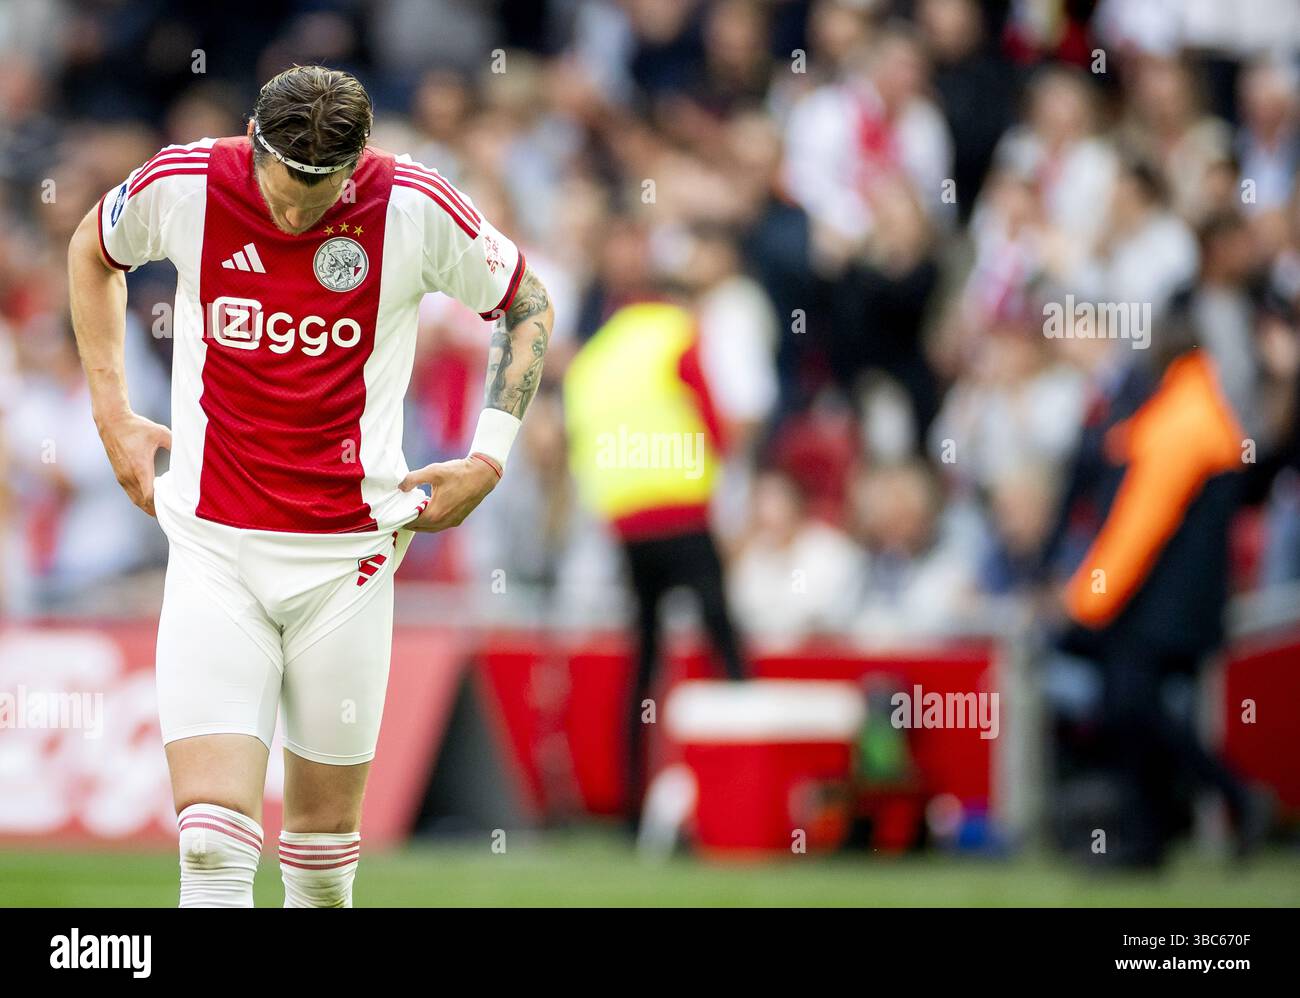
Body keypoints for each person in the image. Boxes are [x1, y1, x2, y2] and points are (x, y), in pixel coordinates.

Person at [66, 66, 554, 907]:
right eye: (288, 184)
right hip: (215, 550)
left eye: (324, 190)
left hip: (350, 564)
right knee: (213, 854)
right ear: (256, 145)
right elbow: (90, 248)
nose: (300, 211)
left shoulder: (412, 203)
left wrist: (488, 458)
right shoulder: (186, 184)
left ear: (356, 164)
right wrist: (112, 413)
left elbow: (528, 303)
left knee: (323, 874)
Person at [563, 298, 747, 830]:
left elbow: (583, 446)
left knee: (643, 662)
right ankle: (741, 791)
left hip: (626, 523)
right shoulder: (676, 331)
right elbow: (713, 417)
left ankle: (631, 806)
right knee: (724, 644)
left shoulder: (593, 358)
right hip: (684, 512)